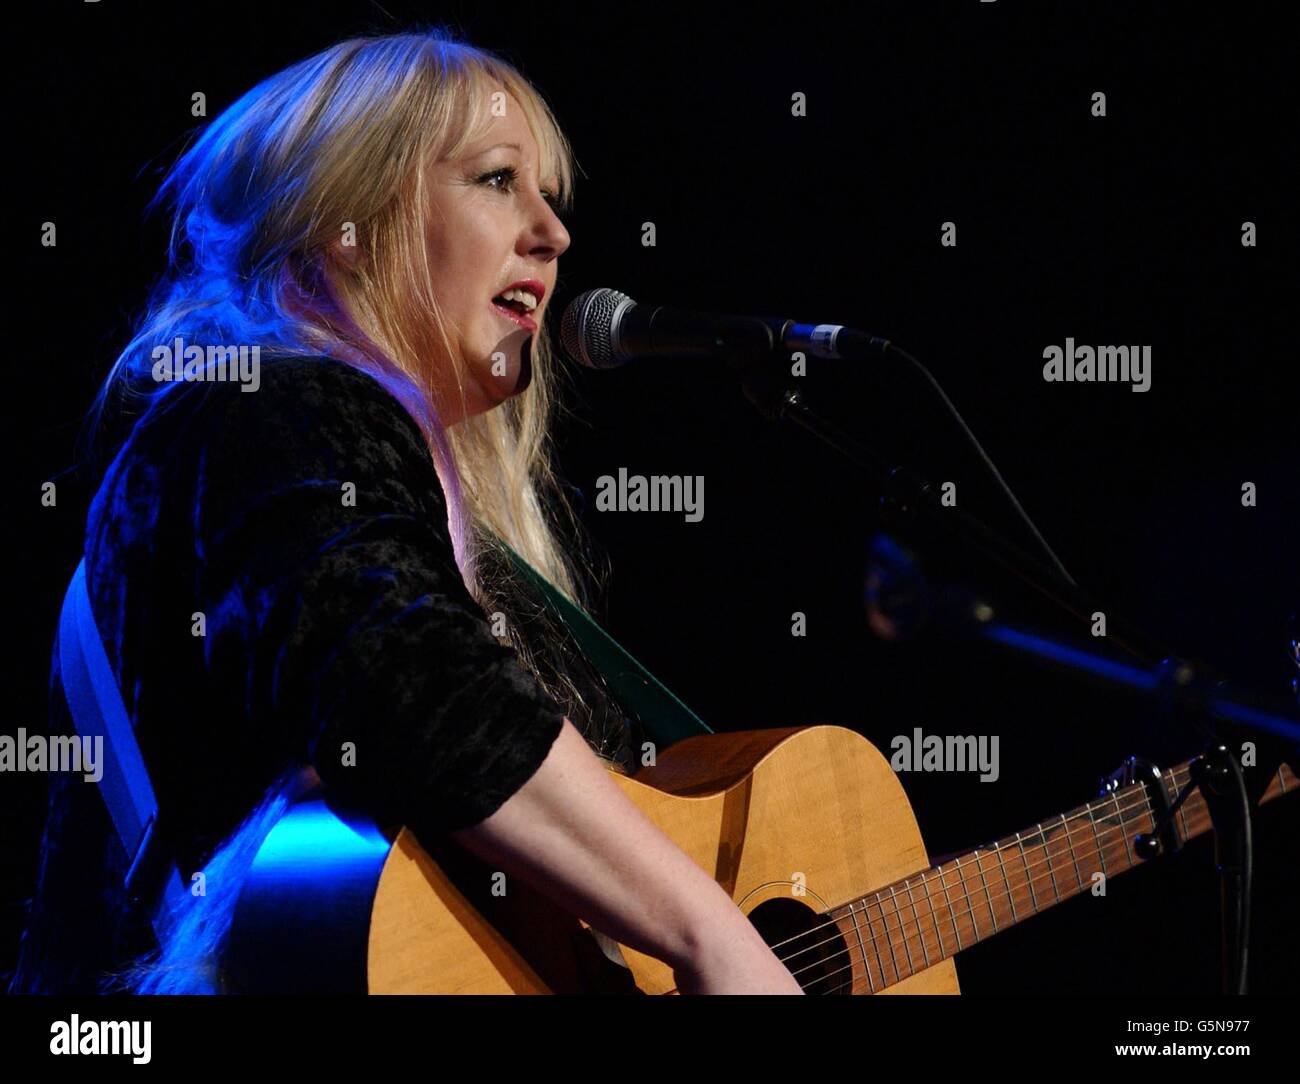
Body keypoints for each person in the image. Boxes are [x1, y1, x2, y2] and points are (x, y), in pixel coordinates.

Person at [9, 28, 802, 995]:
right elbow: (418, 695)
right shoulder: (277, 407)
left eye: (551, 197)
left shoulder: (311, 459)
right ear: (346, 216)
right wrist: (713, 937)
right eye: (499, 179)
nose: (554, 235)